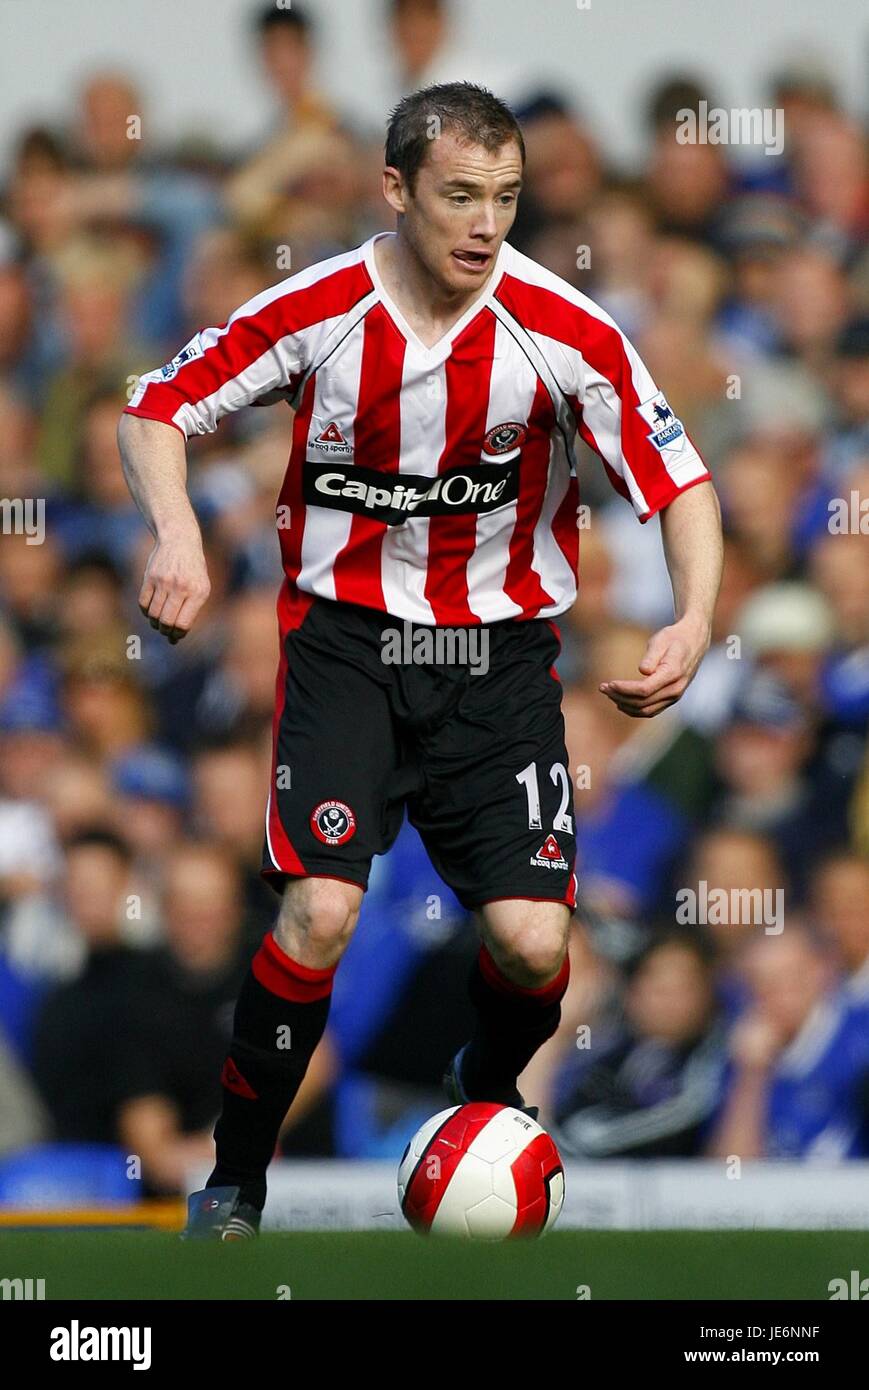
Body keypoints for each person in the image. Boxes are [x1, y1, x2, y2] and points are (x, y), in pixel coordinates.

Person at [118, 82, 722, 1239]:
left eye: (502, 196)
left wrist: (692, 618)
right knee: (320, 915)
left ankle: (480, 1095)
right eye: (458, 195)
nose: (484, 223)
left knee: (535, 943)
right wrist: (179, 531)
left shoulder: (564, 331)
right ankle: (235, 1181)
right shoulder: (321, 309)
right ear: (394, 189)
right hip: (345, 646)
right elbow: (155, 408)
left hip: (496, 664)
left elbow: (678, 479)